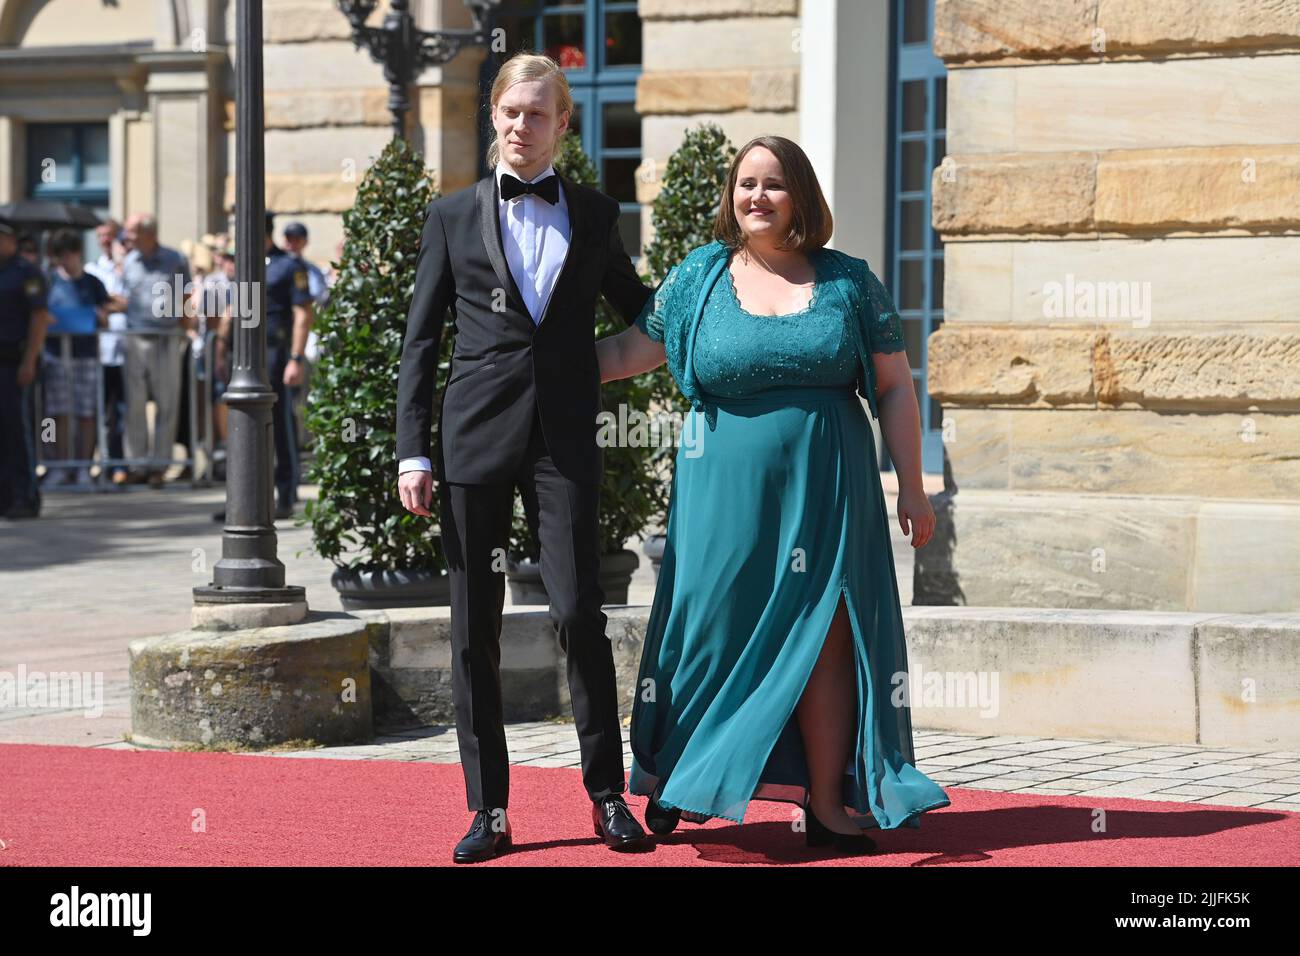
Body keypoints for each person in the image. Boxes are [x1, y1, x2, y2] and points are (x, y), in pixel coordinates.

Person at [595, 135, 950, 854]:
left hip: (830, 488)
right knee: (707, 629)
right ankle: (678, 774)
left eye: (774, 184)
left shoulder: (850, 281)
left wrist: (912, 486)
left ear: (802, 197)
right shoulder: (699, 276)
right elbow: (630, 353)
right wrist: (528, 357)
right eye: (745, 184)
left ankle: (825, 806)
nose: (756, 196)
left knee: (826, 639)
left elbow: (892, 387)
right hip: (721, 494)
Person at [395, 52, 654, 863]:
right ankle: (490, 811)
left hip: (567, 435)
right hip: (473, 435)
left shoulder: (594, 211)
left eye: (538, 114)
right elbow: (421, 343)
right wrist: (412, 451)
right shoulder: (450, 216)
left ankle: (607, 795)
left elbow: (647, 312)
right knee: (474, 628)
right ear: (494, 118)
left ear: (563, 124)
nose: (521, 126)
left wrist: (727, 299)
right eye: (510, 112)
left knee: (580, 610)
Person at [41, 228, 127, 485]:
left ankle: (83, 466)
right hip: (55, 356)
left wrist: (102, 314)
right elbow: (38, 311)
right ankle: (57, 464)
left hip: (86, 355)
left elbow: (112, 305)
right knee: (56, 415)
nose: (65, 260)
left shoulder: (92, 282)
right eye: (60, 255)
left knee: (87, 413)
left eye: (69, 254)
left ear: (78, 253)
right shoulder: (48, 280)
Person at [119, 213, 192, 488]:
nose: (128, 238)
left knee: (167, 403)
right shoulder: (129, 261)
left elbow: (186, 296)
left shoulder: (175, 260)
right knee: (135, 404)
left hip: (166, 337)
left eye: (132, 232)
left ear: (149, 233)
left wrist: (183, 330)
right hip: (135, 337)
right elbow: (125, 298)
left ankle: (159, 466)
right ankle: (137, 464)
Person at [0, 219, 52, 518]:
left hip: (16, 361)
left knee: (18, 432)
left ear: (11, 240)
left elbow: (39, 317)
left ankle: (25, 496)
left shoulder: (26, 273)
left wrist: (29, 360)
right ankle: (5, 497)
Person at [84, 219, 130, 485]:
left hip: (125, 351)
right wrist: (113, 303)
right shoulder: (92, 270)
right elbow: (97, 305)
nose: (104, 240)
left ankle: (120, 463)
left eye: (109, 235)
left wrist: (113, 303)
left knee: (122, 412)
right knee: (99, 412)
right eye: (100, 235)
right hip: (100, 352)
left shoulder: (128, 267)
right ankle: (96, 464)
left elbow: (131, 301)